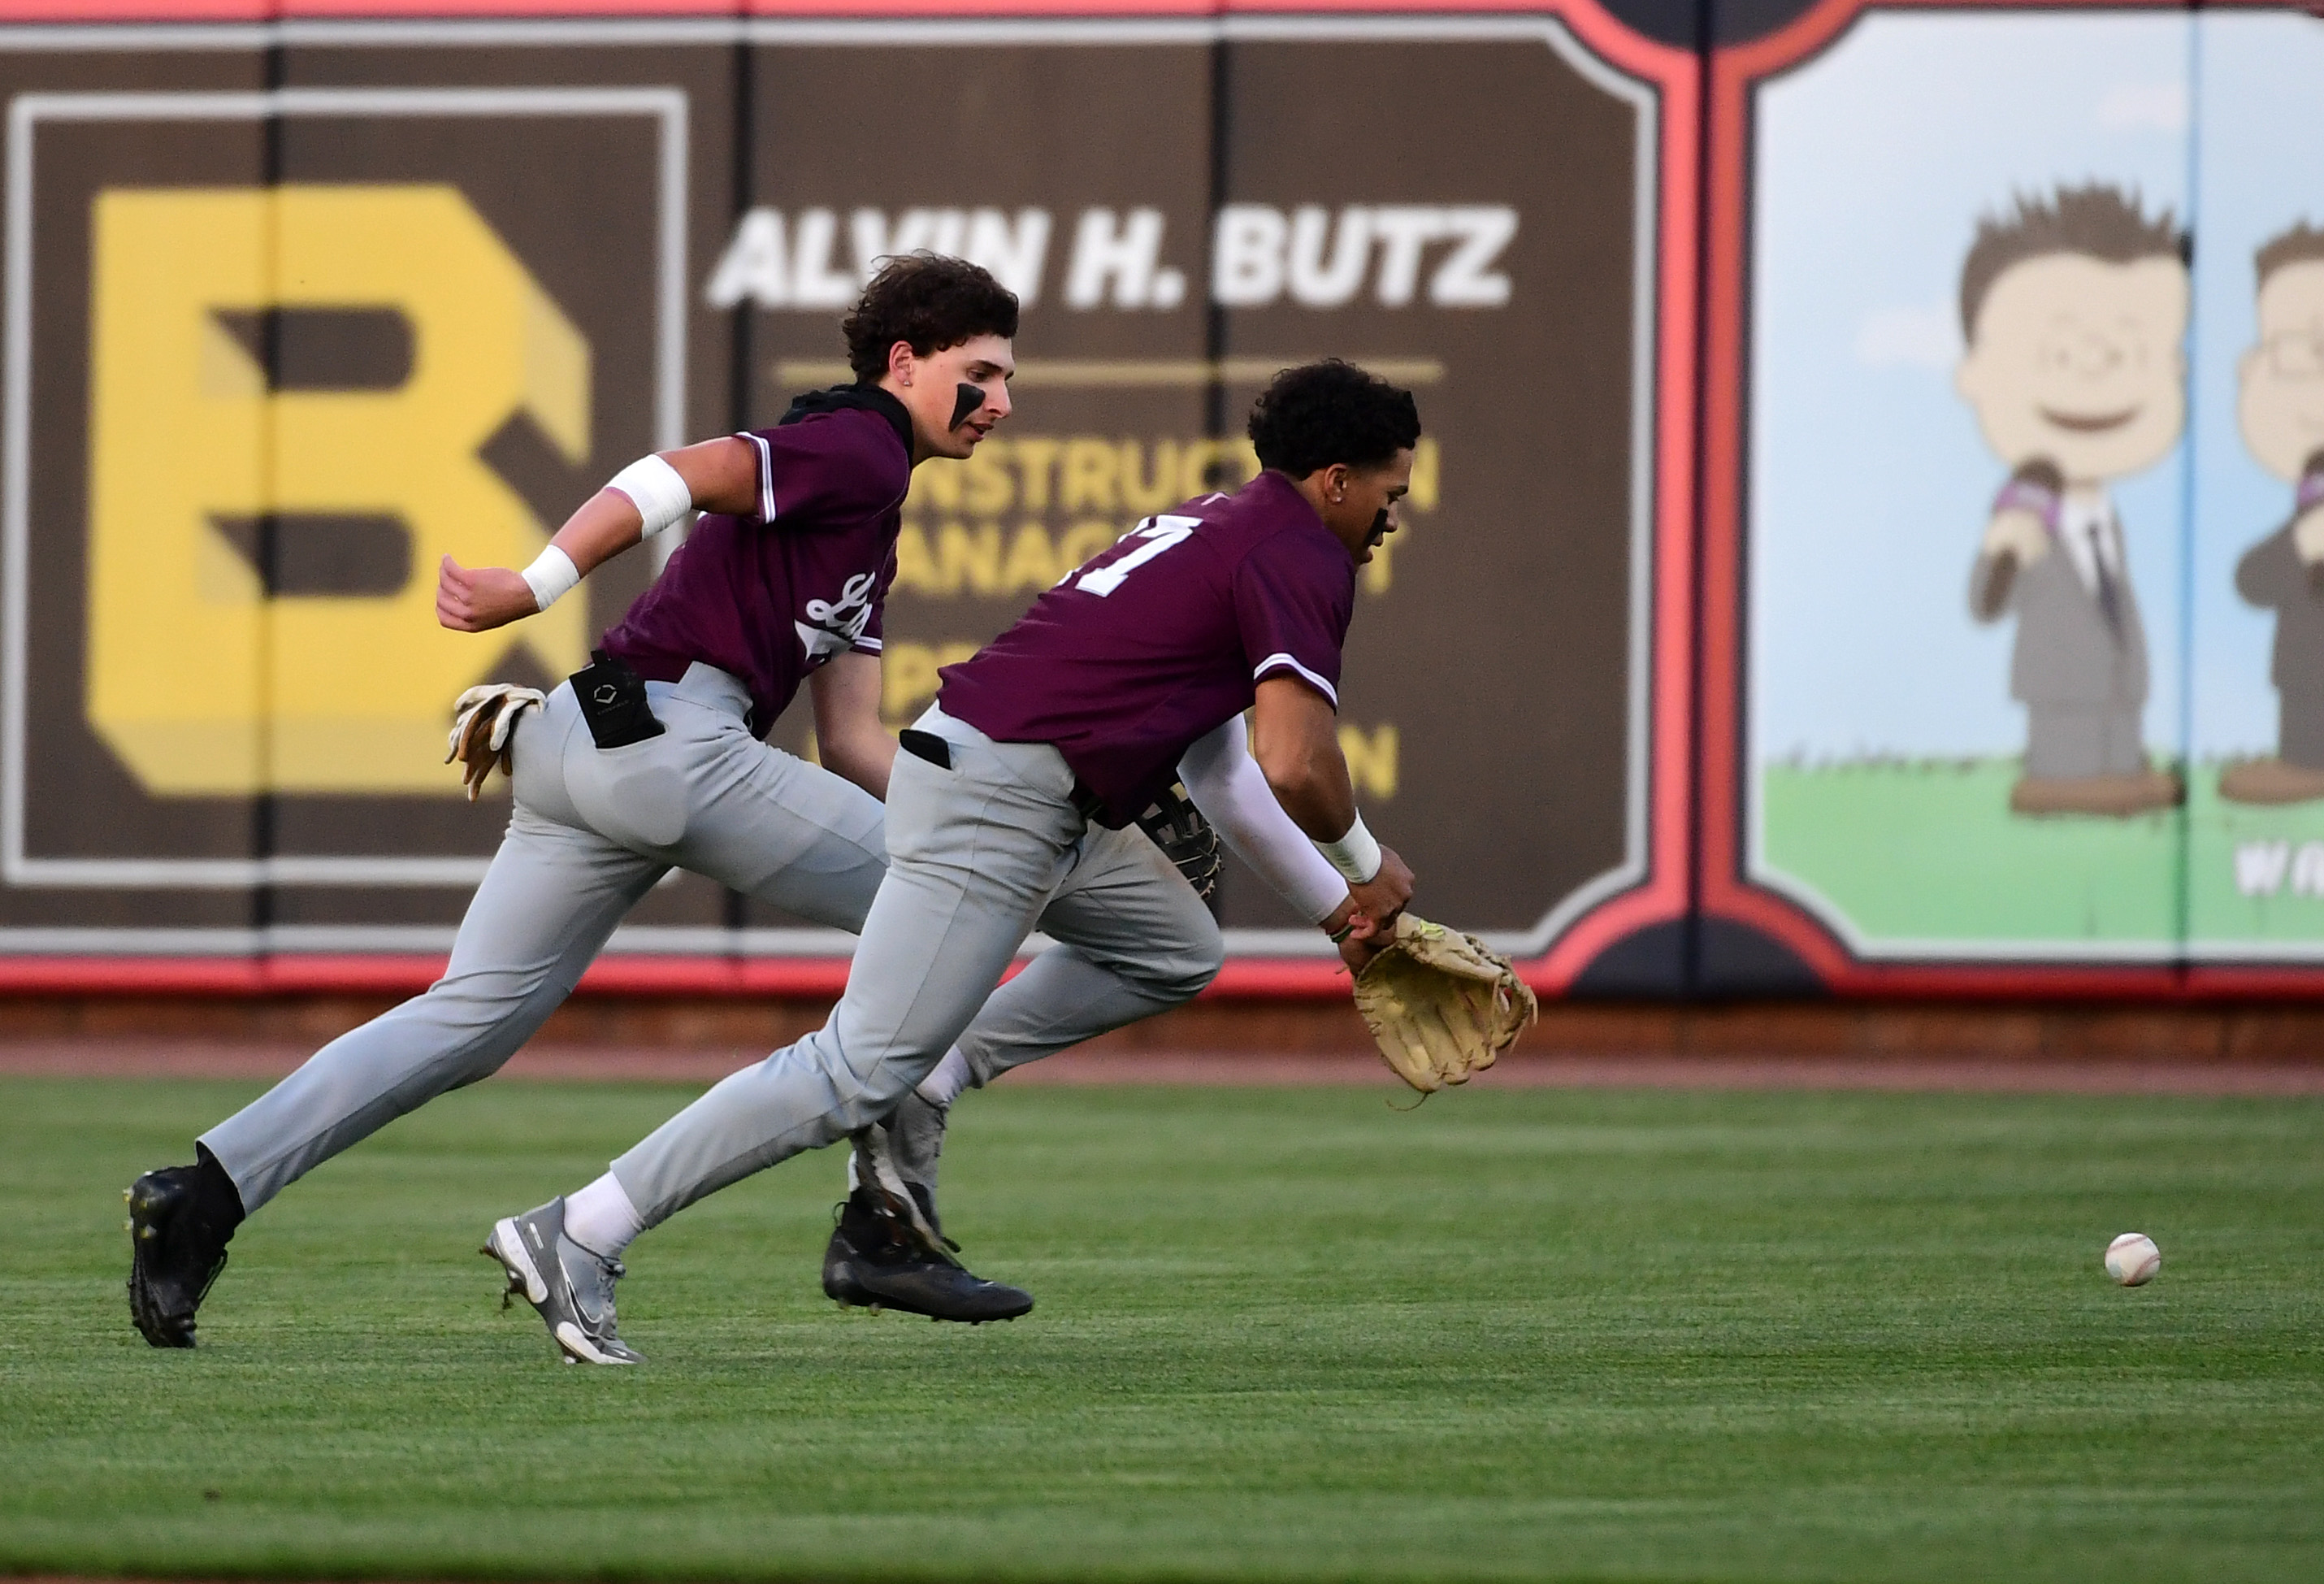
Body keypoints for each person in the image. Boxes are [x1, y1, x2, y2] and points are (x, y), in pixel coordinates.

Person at [124, 254, 1038, 1350]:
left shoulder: (869, 512)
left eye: (1007, 378)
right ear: (904, 362)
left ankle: (203, 1194)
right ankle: (881, 1224)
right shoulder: (861, 442)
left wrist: (989, 812)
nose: (1001, 402)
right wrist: (536, 583)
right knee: (950, 902)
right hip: (669, 744)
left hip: (591, 737)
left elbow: (852, 742)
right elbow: (673, 473)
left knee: (467, 1021)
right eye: (982, 372)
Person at [490, 358, 1420, 1365]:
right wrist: (1364, 863)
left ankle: (931, 1081)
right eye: (1389, 490)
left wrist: (1343, 915)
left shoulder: (1222, 521)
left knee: (1171, 945)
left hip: (1009, 775)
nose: (1391, 514)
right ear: (1335, 479)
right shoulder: (1299, 550)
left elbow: (1225, 771)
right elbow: (1296, 762)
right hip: (1005, 794)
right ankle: (580, 1227)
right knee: (853, 1069)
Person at [1957, 183, 2189, 817]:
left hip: (2121, 687)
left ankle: (2121, 776)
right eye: (2059, 352)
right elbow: (1985, 603)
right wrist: (2004, 551)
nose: (2094, 372)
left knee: (2121, 758)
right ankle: (2064, 783)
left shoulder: (2108, 520)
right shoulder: (2024, 523)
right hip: (2060, 690)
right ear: (1974, 371)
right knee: (2071, 761)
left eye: (2130, 351)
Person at [2223, 220, 2324, 805]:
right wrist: (2304, 545)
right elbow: (2252, 581)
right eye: (2306, 353)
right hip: (2305, 679)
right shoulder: (2306, 520)